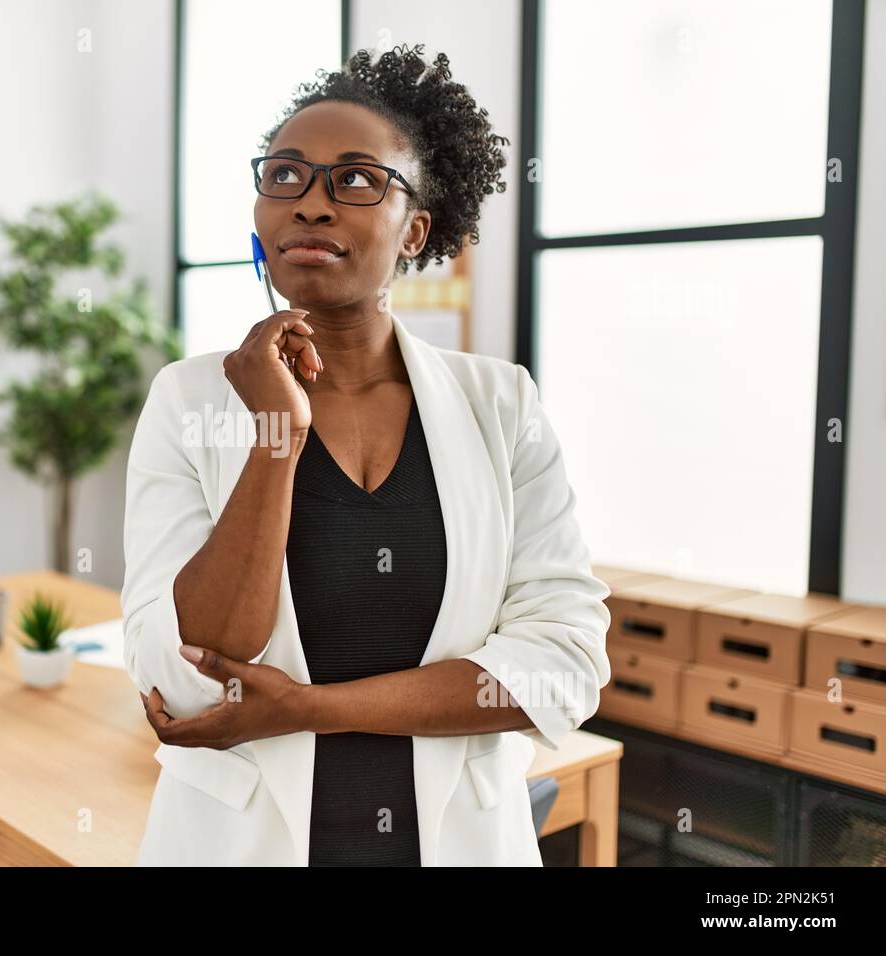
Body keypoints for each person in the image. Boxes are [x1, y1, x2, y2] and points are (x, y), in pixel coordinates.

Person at [121, 44, 611, 866]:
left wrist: (310, 707)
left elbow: (563, 668)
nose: (310, 205)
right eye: (285, 176)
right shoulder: (189, 400)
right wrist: (279, 437)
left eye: (354, 179)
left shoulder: (503, 404)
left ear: (416, 228)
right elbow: (189, 677)